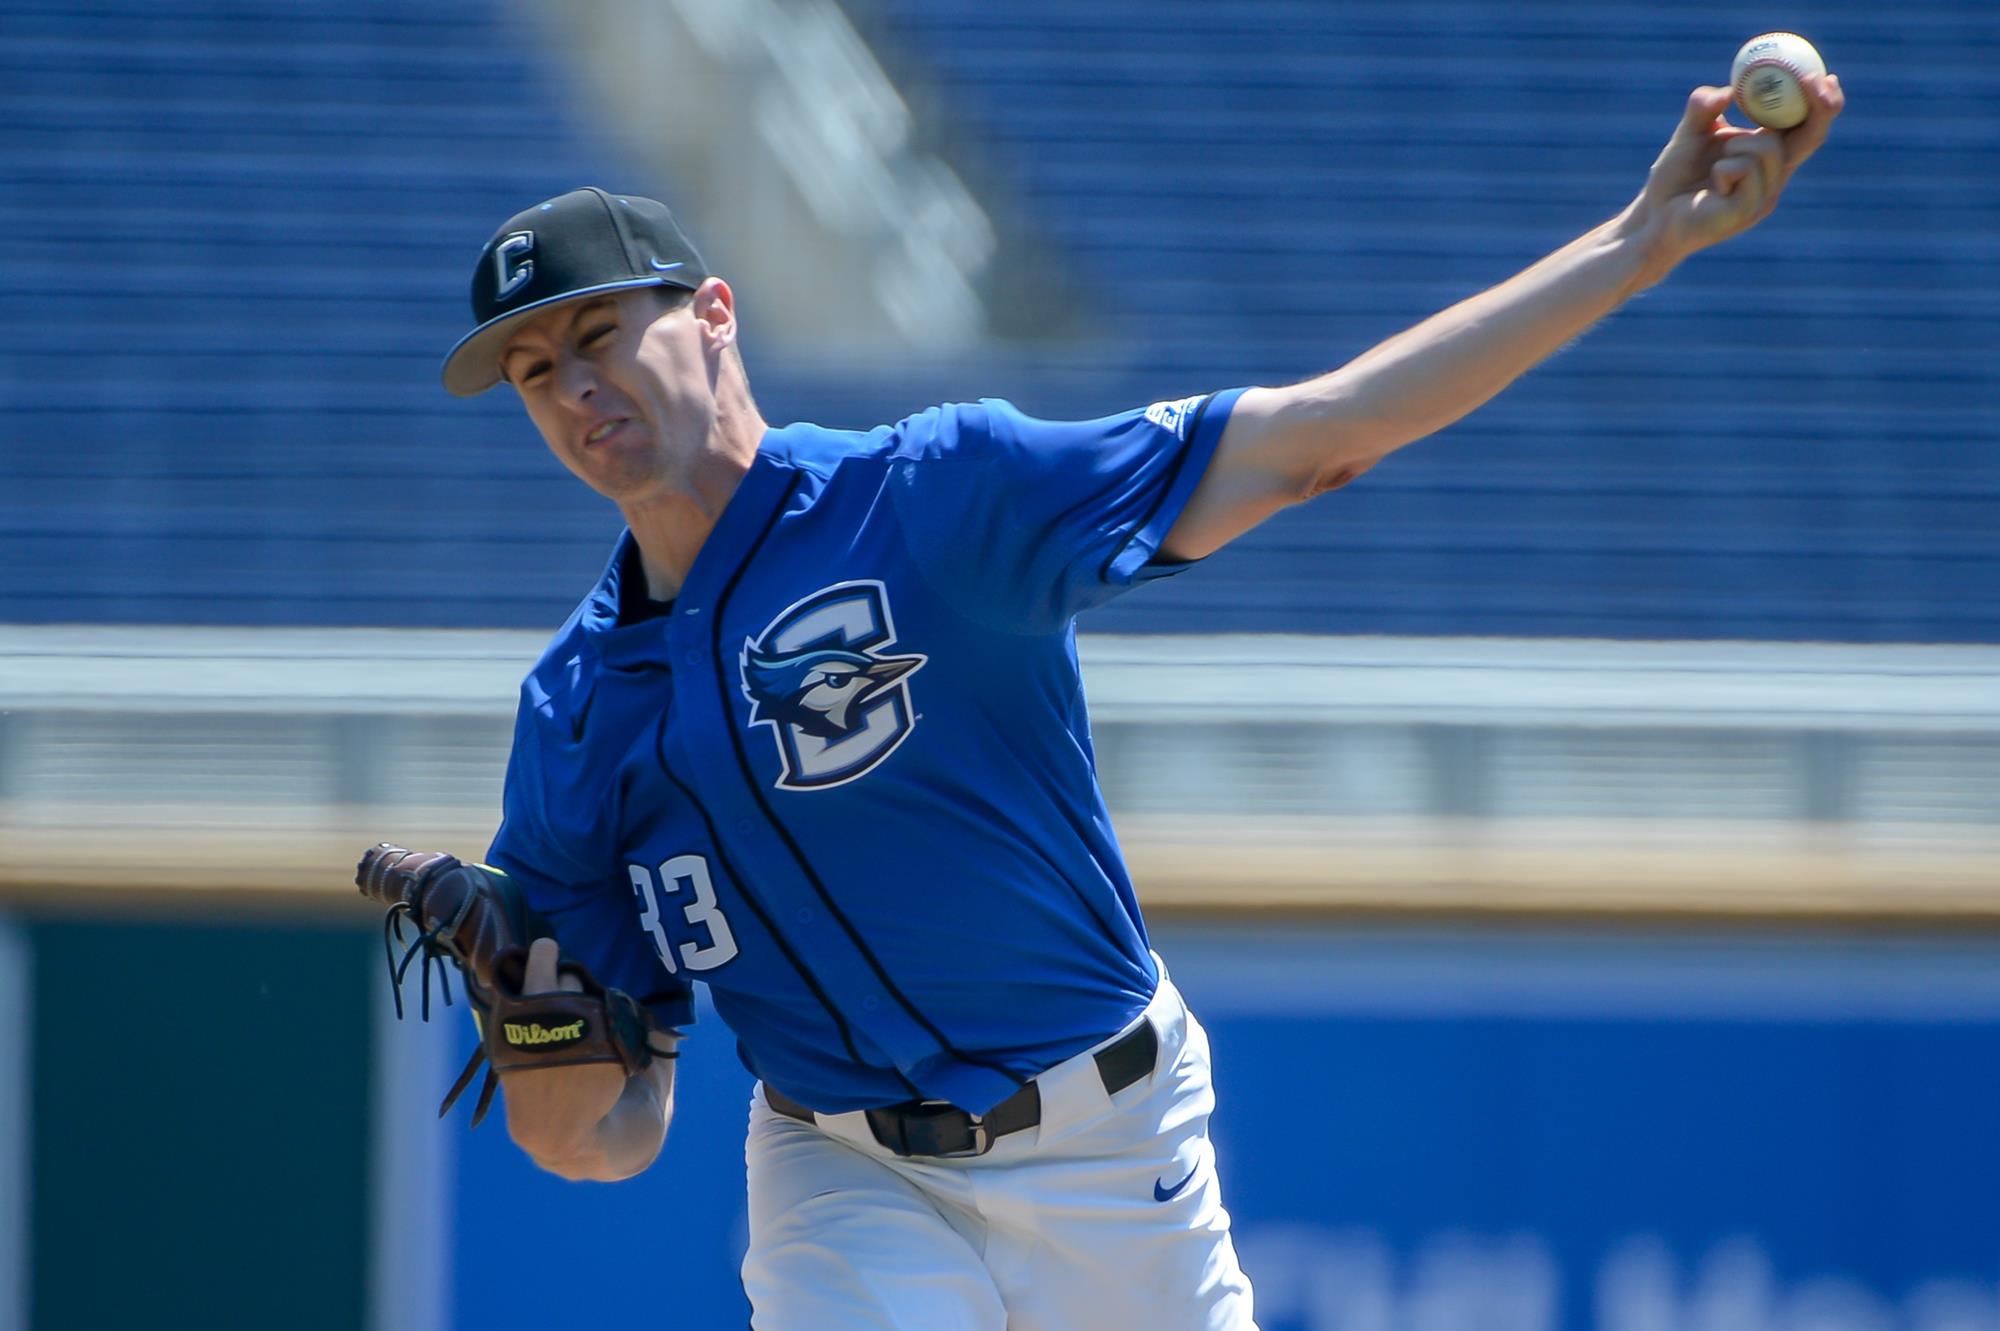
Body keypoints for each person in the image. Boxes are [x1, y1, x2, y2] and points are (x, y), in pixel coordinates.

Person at [399, 74, 1842, 1331]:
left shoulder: (936, 494)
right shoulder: (578, 707)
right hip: (844, 1169)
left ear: (714, 313)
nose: (573, 387)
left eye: (598, 335)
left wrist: (1638, 245)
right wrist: (532, 1008)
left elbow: (1319, 436)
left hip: (1109, 1136)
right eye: (535, 373)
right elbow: (602, 1141)